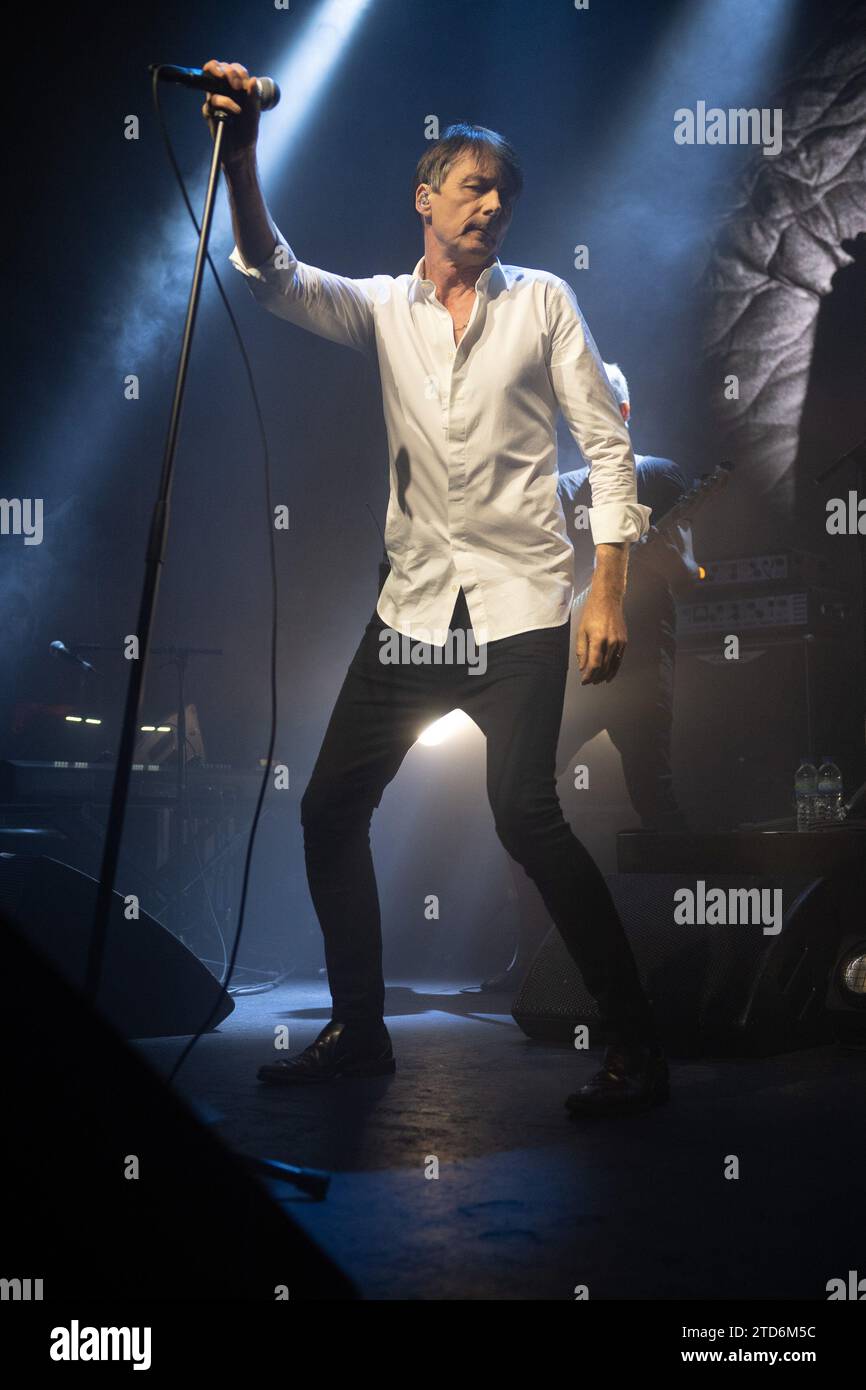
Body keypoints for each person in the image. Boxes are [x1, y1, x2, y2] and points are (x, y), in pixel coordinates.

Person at [204, 60, 668, 1115]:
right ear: (425, 198)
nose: (493, 204)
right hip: (413, 612)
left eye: (505, 191)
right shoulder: (380, 309)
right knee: (328, 808)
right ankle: (360, 1032)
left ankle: (637, 1044)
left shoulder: (541, 301)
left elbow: (605, 447)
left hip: (515, 610)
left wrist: (607, 590)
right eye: (473, 186)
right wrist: (241, 157)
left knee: (524, 817)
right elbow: (270, 273)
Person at [485, 362, 700, 988]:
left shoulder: (658, 476)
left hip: (638, 674)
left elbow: (691, 574)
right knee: (517, 797)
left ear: (624, 414)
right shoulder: (553, 488)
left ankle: (686, 947)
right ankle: (531, 955)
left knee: (655, 797)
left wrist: (665, 559)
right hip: (569, 674)